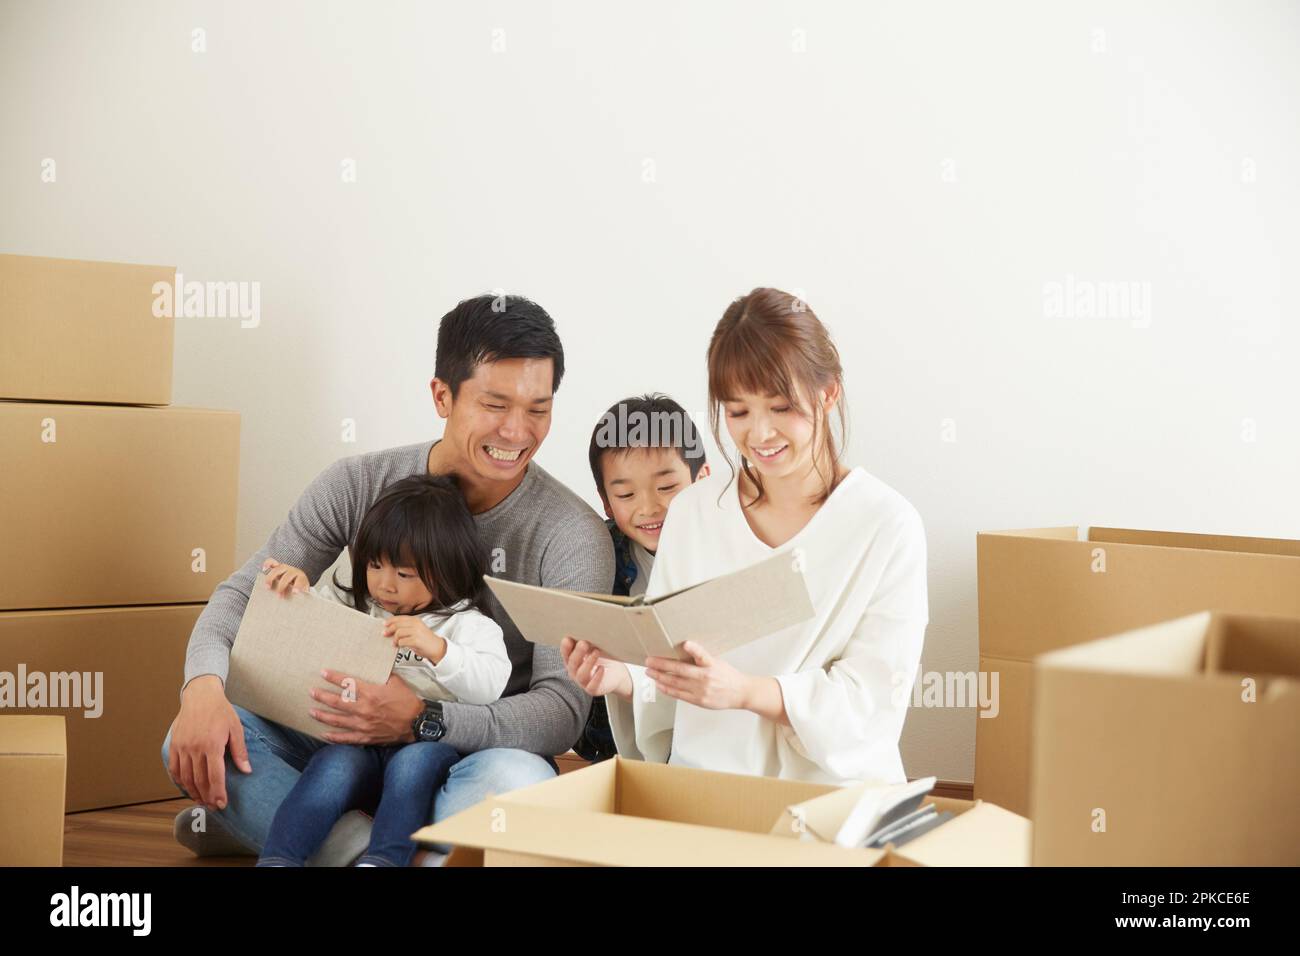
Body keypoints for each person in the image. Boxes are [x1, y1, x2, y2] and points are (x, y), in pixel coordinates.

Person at [163, 293, 614, 864]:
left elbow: (561, 711)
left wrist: (424, 719)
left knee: (519, 782)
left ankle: (295, 830)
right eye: (495, 404)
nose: (517, 431)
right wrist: (201, 686)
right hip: (338, 737)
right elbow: (242, 595)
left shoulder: (569, 533)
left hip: (463, 753)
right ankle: (371, 849)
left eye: (538, 409)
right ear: (442, 396)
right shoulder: (357, 483)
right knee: (194, 736)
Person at [562, 288, 929, 786]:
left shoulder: (887, 525)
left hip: (831, 795)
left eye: (781, 407)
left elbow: (870, 701)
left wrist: (746, 692)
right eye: (738, 412)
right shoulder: (695, 512)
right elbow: (676, 662)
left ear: (828, 392)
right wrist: (621, 677)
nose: (760, 434)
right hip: (708, 784)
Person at [255, 474, 509, 867]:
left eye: (404, 574)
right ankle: (279, 858)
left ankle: (385, 860)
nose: (385, 585)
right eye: (375, 566)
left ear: (446, 569)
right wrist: (301, 593)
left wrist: (439, 650)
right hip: (358, 743)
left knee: (412, 766)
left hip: (426, 746)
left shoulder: (466, 624)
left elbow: (491, 685)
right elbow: (317, 631)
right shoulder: (363, 606)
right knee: (331, 768)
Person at [571, 393, 709, 762]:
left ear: (703, 477)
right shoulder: (598, 557)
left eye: (667, 488)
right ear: (605, 501)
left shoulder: (731, 547)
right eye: (626, 493)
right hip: (613, 747)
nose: (649, 507)